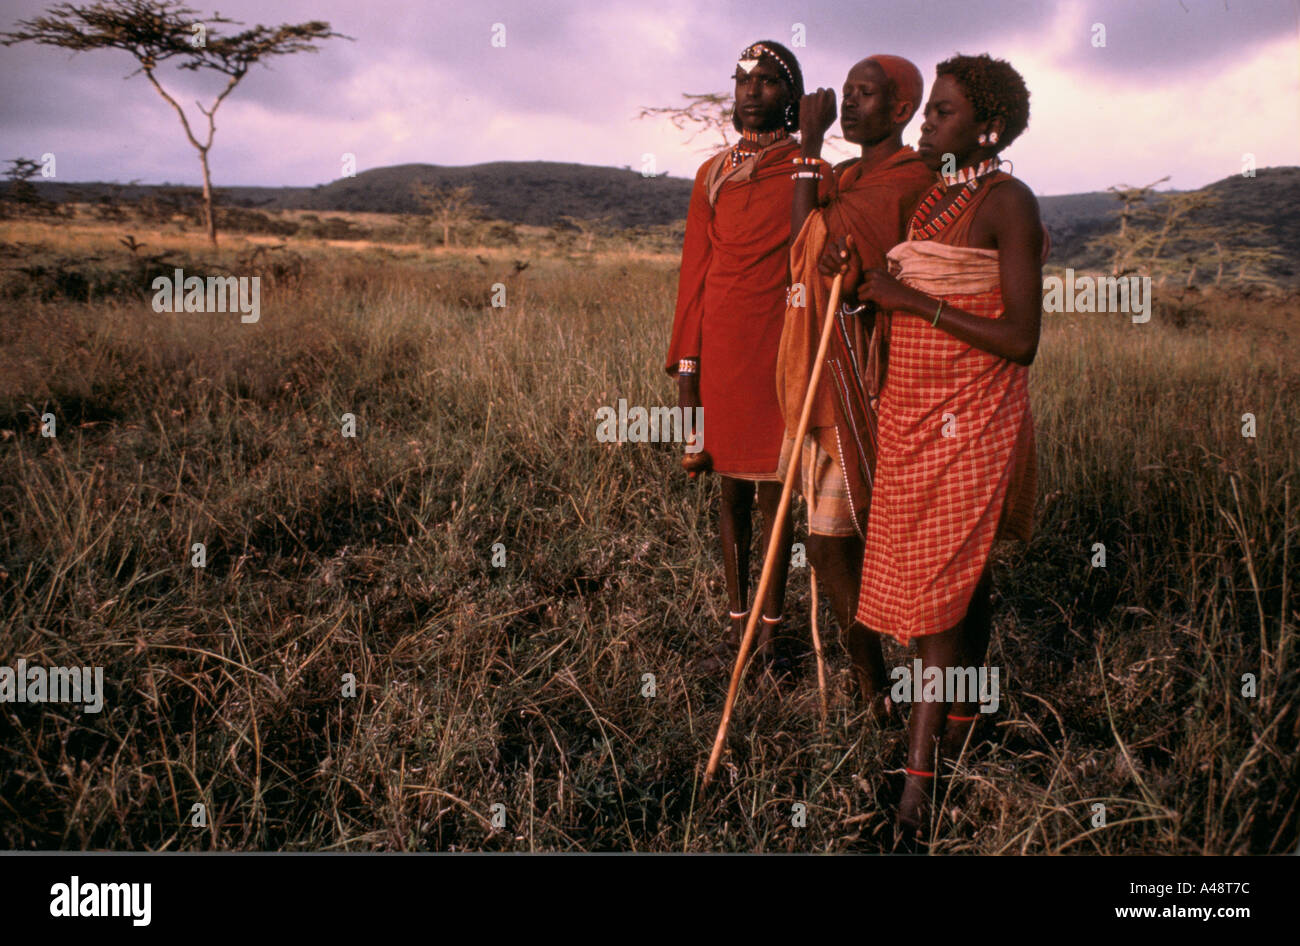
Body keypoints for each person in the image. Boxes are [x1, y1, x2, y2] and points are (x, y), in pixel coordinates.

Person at [823, 53, 1045, 842]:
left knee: (940, 599)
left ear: (985, 128)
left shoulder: (1006, 201)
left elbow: (1021, 339)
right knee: (954, 574)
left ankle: (916, 796)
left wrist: (909, 296)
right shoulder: (932, 207)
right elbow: (900, 296)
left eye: (941, 113)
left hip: (972, 418)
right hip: (912, 415)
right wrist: (861, 285)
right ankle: (963, 713)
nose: (926, 126)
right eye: (927, 113)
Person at [775, 55, 933, 714]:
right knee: (826, 538)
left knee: (857, 535)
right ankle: (874, 681)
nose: (849, 104)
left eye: (865, 94)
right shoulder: (842, 176)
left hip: (873, 370)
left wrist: (806, 148)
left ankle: (907, 685)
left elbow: (823, 245)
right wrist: (816, 163)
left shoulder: (912, 179)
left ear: (901, 110)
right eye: (845, 93)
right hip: (819, 363)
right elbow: (802, 250)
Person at [666, 40, 820, 673]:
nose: (750, 91)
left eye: (766, 81)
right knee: (729, 490)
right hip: (722, 347)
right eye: (741, 79)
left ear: (792, 95)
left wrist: (811, 149)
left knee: (775, 492)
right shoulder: (713, 174)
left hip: (780, 345)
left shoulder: (812, 172)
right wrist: (686, 366)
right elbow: (694, 275)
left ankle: (771, 633)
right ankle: (739, 625)